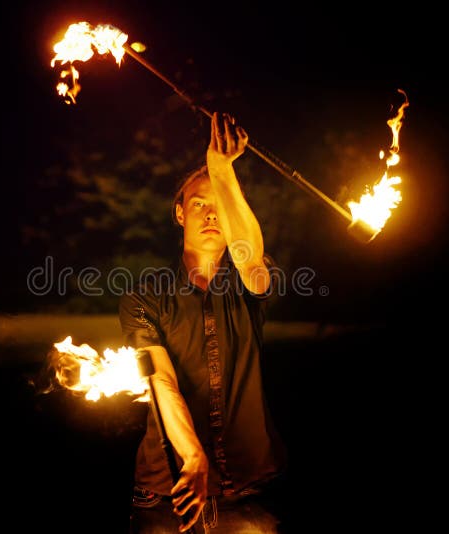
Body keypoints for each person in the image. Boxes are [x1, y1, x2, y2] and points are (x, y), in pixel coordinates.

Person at [119, 112, 286, 533]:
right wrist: (193, 455)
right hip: (169, 493)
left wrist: (221, 168)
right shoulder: (144, 296)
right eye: (199, 204)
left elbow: (248, 259)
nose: (212, 216)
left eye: (220, 209)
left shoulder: (253, 282)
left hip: (247, 492)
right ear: (179, 214)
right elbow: (161, 380)